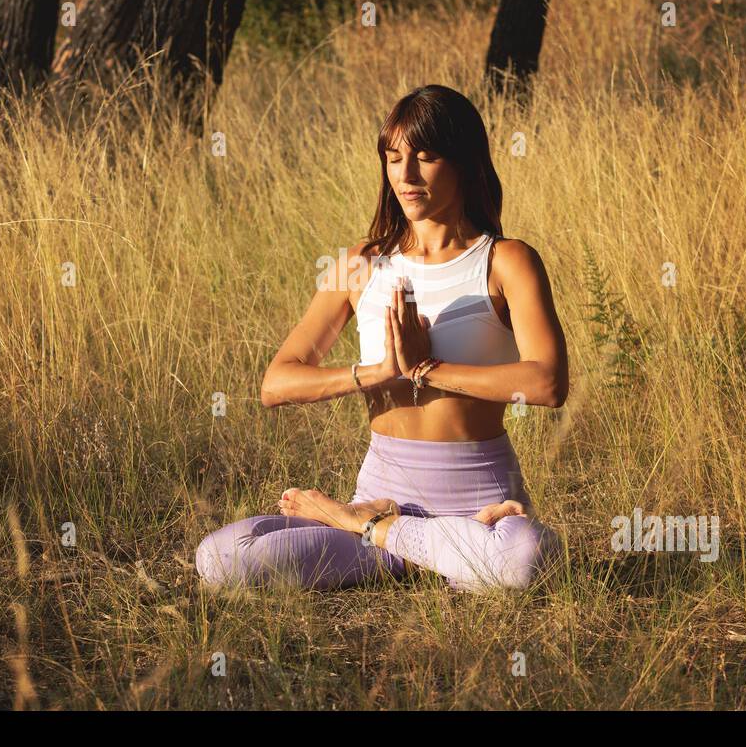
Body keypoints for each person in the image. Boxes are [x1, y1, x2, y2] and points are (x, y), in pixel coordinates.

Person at [195, 84, 569, 592]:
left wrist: (427, 369)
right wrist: (378, 373)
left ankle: (373, 528)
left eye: (426, 157)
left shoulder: (506, 260)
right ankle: (411, 543)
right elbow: (276, 383)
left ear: (464, 162)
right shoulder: (360, 265)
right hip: (385, 492)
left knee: (526, 562)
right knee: (221, 561)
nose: (406, 175)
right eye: (393, 158)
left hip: (479, 506)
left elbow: (548, 383)